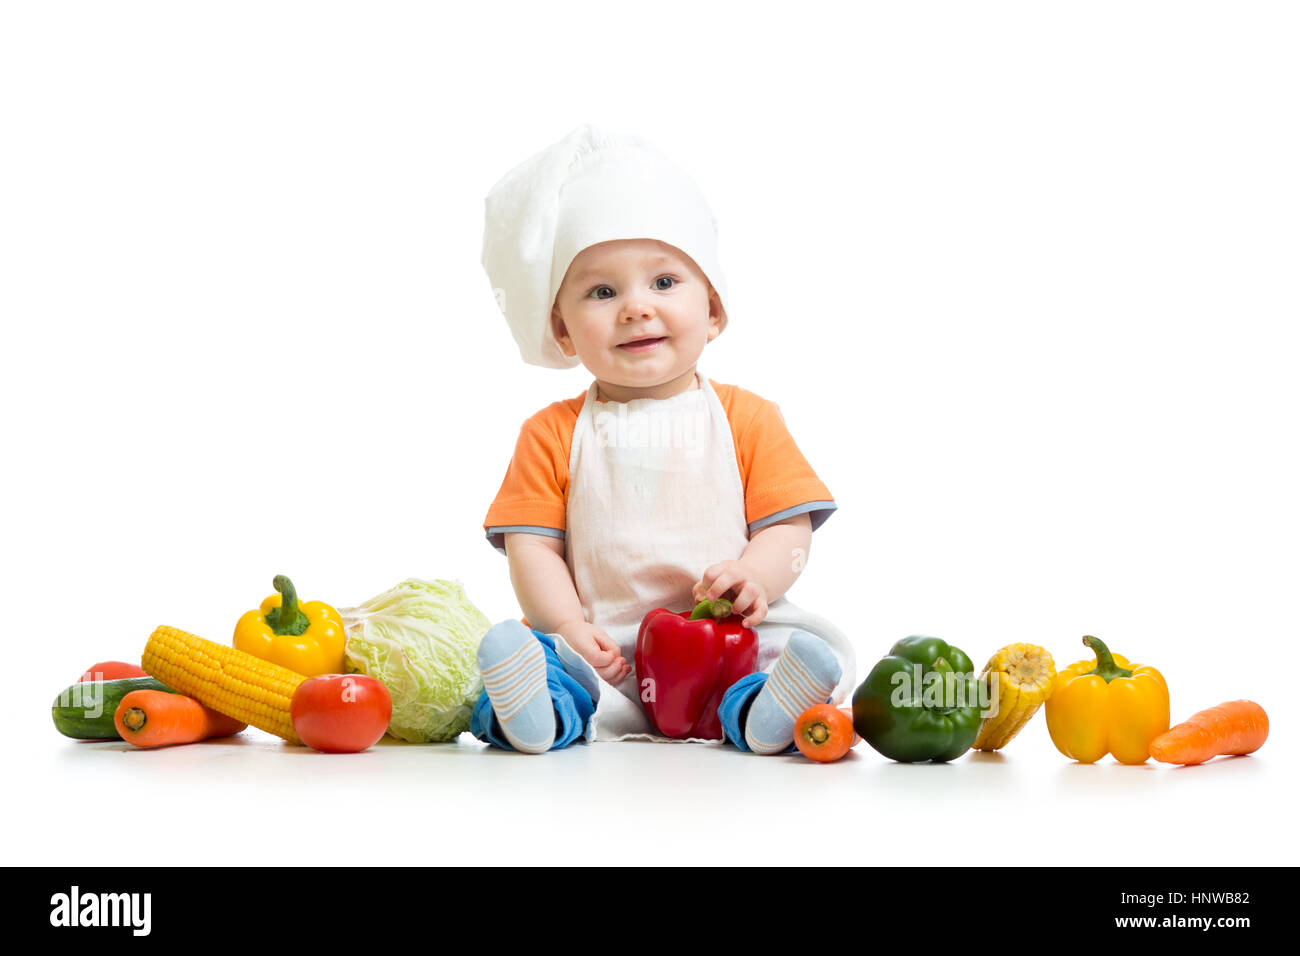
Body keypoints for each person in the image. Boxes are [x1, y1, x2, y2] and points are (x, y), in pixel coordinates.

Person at [470, 124, 856, 754]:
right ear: (563, 330)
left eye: (664, 282)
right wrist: (567, 624)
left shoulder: (748, 419)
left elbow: (789, 529)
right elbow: (531, 548)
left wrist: (754, 577)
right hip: (603, 651)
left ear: (713, 308)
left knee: (785, 652)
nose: (635, 307)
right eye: (601, 291)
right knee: (550, 662)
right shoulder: (551, 433)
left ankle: (761, 711)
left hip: (726, 638)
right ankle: (537, 713)